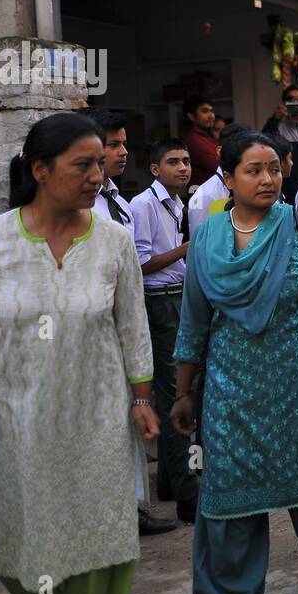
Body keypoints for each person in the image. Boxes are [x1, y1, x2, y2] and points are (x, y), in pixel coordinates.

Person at [0, 113, 158, 594]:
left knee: (101, 548)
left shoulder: (114, 241)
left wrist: (142, 399)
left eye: (102, 163)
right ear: (41, 170)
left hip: (99, 423)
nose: (98, 175)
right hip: (16, 428)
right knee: (18, 549)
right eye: (84, 165)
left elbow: (133, 328)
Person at [170, 130, 298, 594]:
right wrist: (184, 390)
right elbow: (193, 320)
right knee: (229, 497)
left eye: (275, 168)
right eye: (254, 170)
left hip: (297, 380)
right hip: (228, 388)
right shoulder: (208, 236)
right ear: (228, 178)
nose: (267, 178)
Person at [80, 107, 175, 536]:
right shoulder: (88, 205)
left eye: (122, 143)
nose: (121, 152)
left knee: (134, 415)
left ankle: (135, 507)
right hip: (95, 329)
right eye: (112, 144)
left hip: (128, 321)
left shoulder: (115, 197)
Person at [129, 138, 198, 525]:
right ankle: (187, 495)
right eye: (173, 162)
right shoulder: (143, 205)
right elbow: (140, 263)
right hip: (160, 301)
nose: (183, 168)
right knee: (175, 392)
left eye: (186, 161)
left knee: (182, 386)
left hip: (178, 296)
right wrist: (186, 249)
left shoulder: (176, 203)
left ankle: (173, 483)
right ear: (155, 169)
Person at [187, 123, 252, 238]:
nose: (244, 157)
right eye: (238, 151)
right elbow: (199, 246)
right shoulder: (205, 195)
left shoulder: (252, 186)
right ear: (220, 152)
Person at [80, 108, 134, 234]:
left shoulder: (123, 205)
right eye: (114, 145)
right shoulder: (75, 206)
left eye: (124, 144)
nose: (124, 152)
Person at [183, 95, 220, 189]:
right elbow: (219, 165)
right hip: (202, 195)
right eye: (205, 111)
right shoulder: (193, 140)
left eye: (211, 111)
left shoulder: (208, 137)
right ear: (191, 116)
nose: (212, 115)